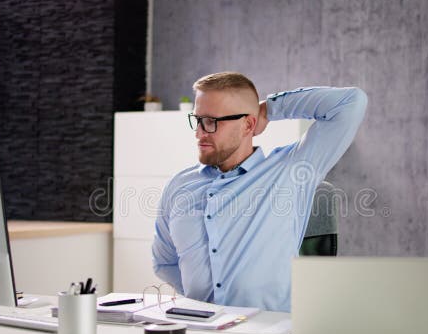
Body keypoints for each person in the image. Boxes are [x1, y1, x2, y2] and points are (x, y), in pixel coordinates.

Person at [151, 72, 367, 312]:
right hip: (201, 332)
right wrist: (203, 306)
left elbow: (351, 103)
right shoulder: (179, 186)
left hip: (268, 333)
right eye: (197, 119)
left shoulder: (291, 170)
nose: (199, 133)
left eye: (211, 122)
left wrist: (269, 109)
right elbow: (164, 262)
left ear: (248, 124)